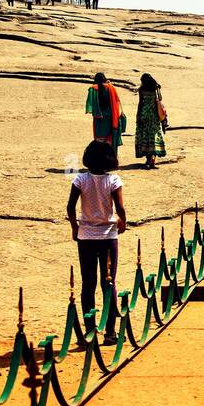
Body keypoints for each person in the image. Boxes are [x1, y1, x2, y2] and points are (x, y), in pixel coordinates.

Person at [66, 140, 126, 346]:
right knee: (109, 282)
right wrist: (123, 222)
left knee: (88, 284)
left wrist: (75, 227)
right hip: (108, 236)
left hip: (86, 237)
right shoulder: (114, 180)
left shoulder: (80, 179)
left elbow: (70, 207)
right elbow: (120, 208)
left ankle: (89, 332)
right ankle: (110, 332)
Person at [134, 73, 167, 169]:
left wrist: (138, 115)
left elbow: (140, 103)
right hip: (154, 115)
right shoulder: (156, 88)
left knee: (146, 136)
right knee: (154, 135)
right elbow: (160, 100)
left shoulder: (142, 90)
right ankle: (152, 160)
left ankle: (148, 160)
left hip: (144, 114)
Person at [86, 72, 125, 149]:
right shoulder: (111, 88)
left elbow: (90, 104)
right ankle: (110, 154)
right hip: (111, 115)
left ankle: (100, 155)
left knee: (100, 137)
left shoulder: (93, 89)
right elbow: (117, 100)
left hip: (99, 116)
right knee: (109, 136)